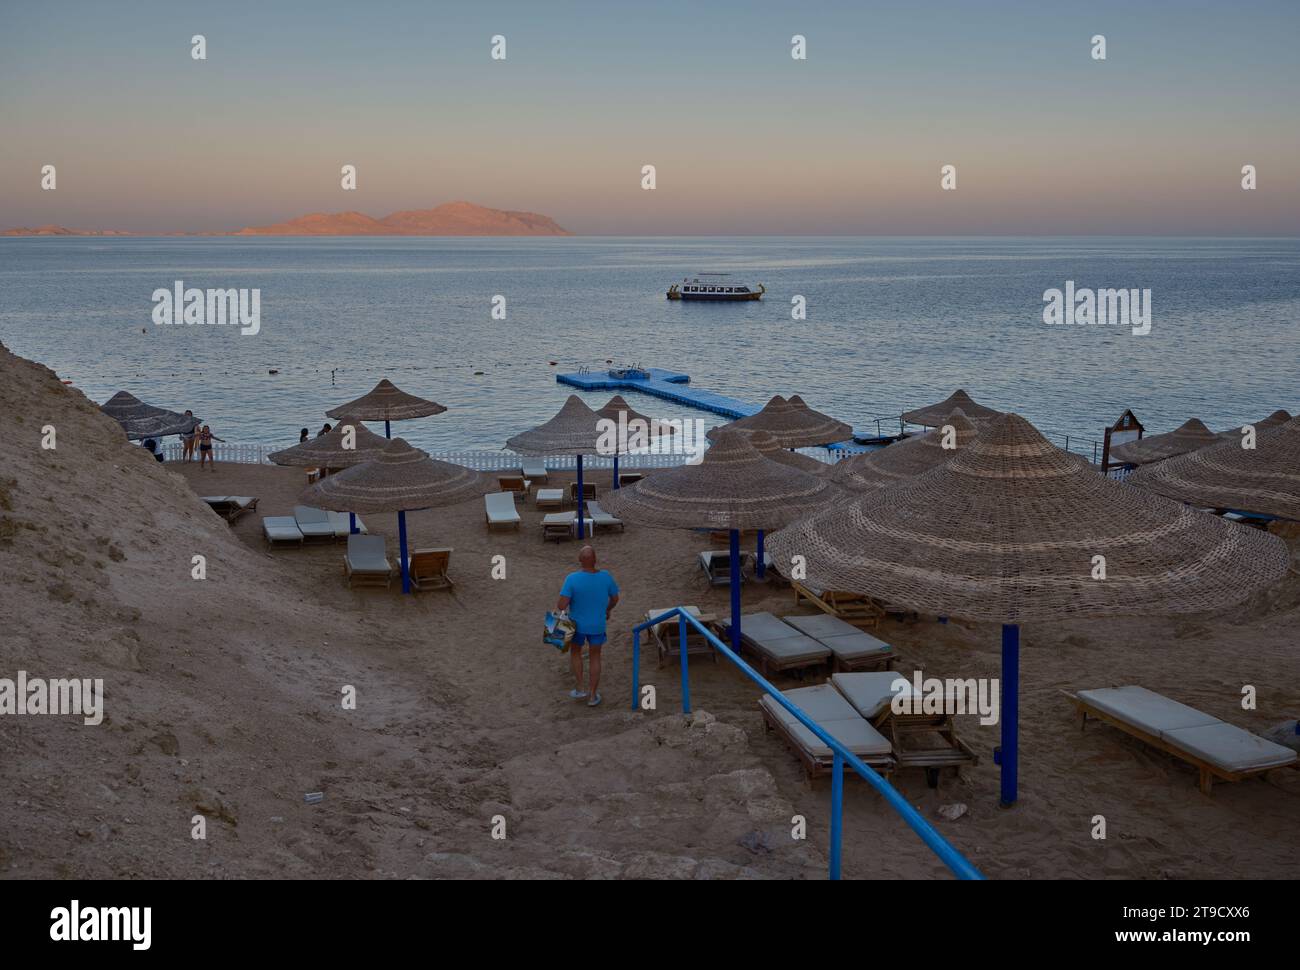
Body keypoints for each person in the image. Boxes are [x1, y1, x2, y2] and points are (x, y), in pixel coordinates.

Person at [555, 545, 619, 707]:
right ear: (595, 560)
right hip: (597, 625)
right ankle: (592, 695)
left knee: (575, 653)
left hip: (577, 626)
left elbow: (562, 605)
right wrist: (607, 610)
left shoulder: (572, 579)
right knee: (595, 657)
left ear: (579, 560)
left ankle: (580, 687)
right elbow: (615, 598)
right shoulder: (606, 577)